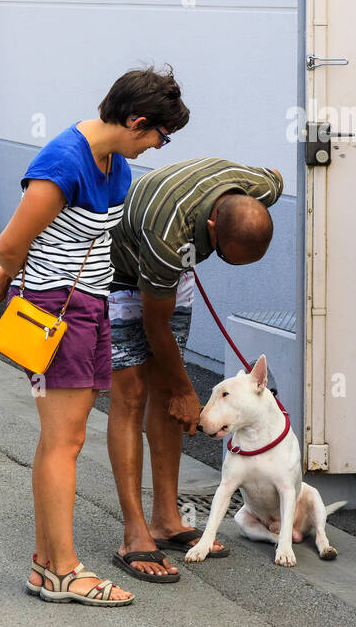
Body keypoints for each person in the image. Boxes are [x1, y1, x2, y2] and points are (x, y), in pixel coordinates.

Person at [0, 66, 190, 605]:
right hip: (56, 311)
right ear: (137, 121)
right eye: (161, 135)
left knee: (60, 439)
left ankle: (46, 565)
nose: (160, 146)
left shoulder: (114, 163)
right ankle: (65, 573)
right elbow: (11, 242)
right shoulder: (62, 162)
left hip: (90, 307)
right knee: (65, 442)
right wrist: (8, 273)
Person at [106, 158, 284, 582]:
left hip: (170, 274)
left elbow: (274, 173)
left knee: (168, 393)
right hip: (121, 271)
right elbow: (155, 325)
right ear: (210, 231)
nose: (222, 263)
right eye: (222, 255)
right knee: (132, 394)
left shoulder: (261, 187)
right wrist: (188, 391)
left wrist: (178, 390)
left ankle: (166, 520)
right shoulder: (169, 235)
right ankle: (135, 535)